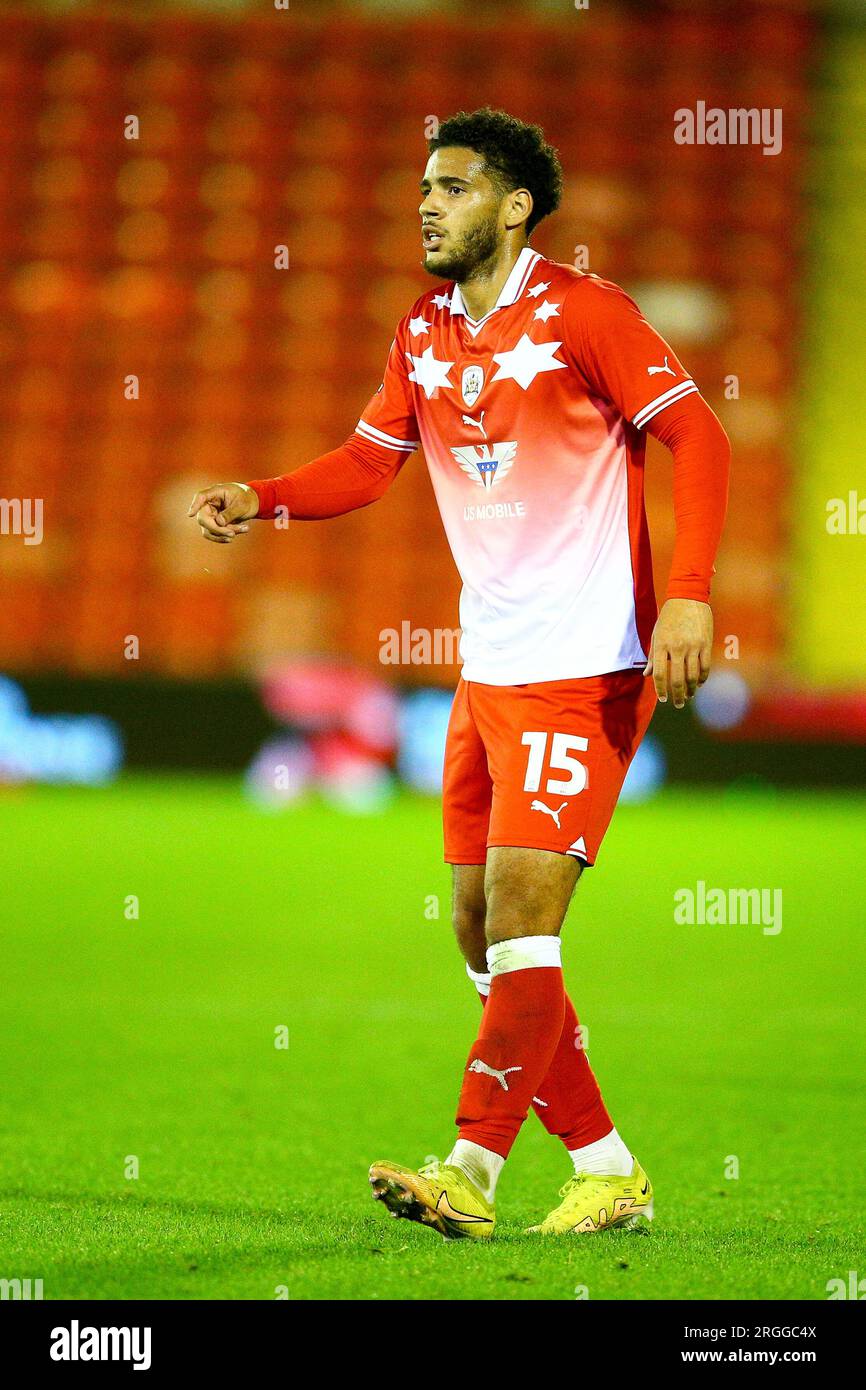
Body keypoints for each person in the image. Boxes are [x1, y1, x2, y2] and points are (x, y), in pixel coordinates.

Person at [188, 108, 730, 1240]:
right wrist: (266, 496)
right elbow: (367, 463)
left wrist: (688, 589)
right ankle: (607, 1167)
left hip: (585, 664)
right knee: (478, 929)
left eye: (452, 186)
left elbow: (700, 437)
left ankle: (468, 1173)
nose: (426, 204)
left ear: (514, 205)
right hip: (485, 666)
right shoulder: (423, 331)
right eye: (422, 187)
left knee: (528, 924)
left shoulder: (586, 313)